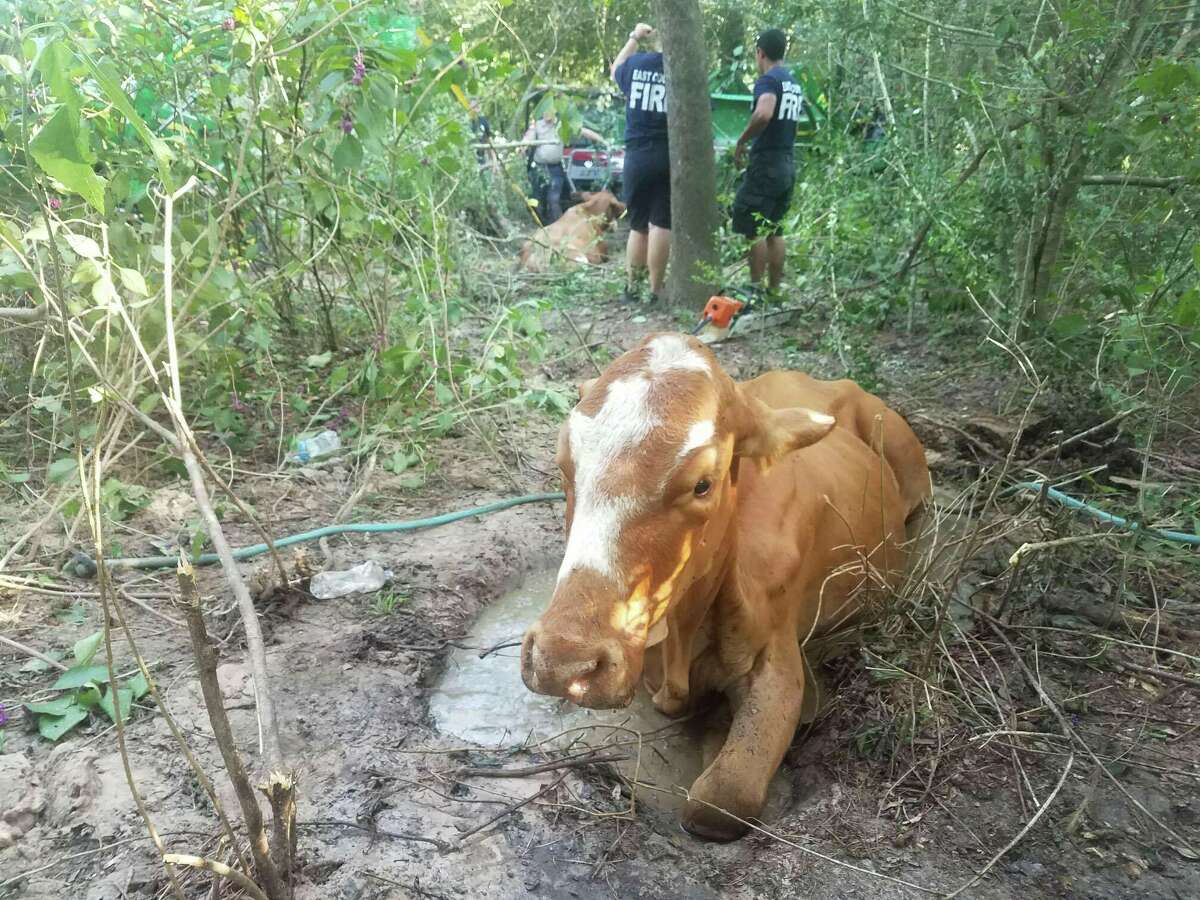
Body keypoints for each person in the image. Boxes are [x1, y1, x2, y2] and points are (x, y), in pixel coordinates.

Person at [732, 29, 804, 294]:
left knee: (753, 228)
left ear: (760, 53)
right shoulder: (793, 83)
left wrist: (742, 141)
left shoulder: (768, 80)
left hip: (767, 164)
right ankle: (773, 291)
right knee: (775, 230)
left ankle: (754, 289)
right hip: (786, 162)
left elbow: (763, 113)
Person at [611, 22, 670, 304]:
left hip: (637, 155)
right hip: (668, 155)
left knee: (638, 226)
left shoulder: (636, 65)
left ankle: (633, 289)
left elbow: (615, 70)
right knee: (661, 224)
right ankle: (655, 291)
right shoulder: (680, 71)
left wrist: (634, 36)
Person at [523, 100, 606, 225]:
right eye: (545, 110)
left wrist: (602, 141)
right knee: (537, 198)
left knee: (554, 198)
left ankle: (558, 225)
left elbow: (582, 131)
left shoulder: (562, 126)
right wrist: (522, 147)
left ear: (555, 111)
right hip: (539, 168)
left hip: (555, 168)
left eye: (549, 110)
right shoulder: (537, 126)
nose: (546, 113)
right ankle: (541, 224)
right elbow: (528, 138)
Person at [468, 99, 499, 175]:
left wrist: (495, 161)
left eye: (476, 107)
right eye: (472, 107)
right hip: (471, 158)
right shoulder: (467, 123)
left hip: (483, 157)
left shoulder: (483, 121)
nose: (474, 109)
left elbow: (489, 140)